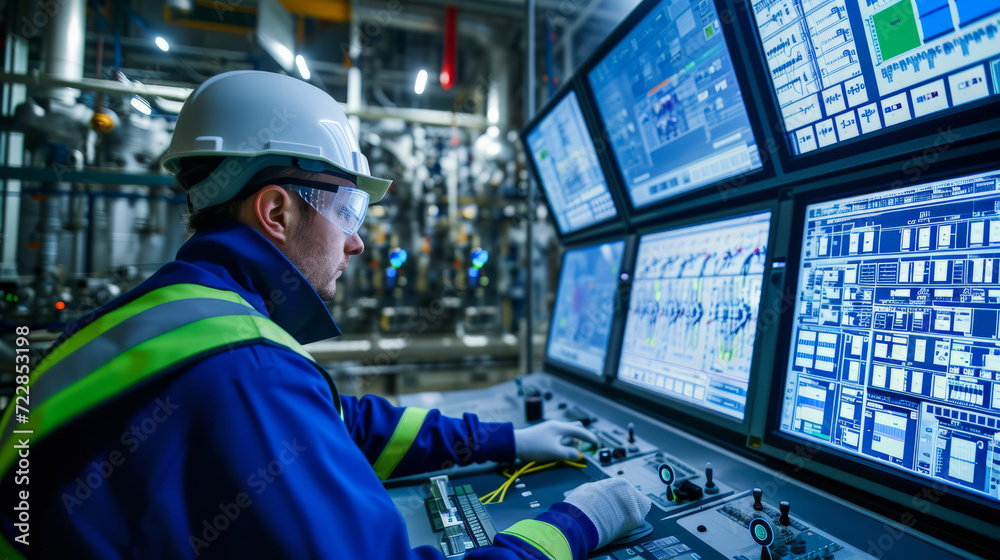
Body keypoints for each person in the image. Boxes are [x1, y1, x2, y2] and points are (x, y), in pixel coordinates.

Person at [0, 71, 650, 559]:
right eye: (348, 212)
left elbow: (339, 425)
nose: (357, 241)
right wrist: (573, 526)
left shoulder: (185, 311)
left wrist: (503, 440)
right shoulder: (241, 367)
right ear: (276, 212)